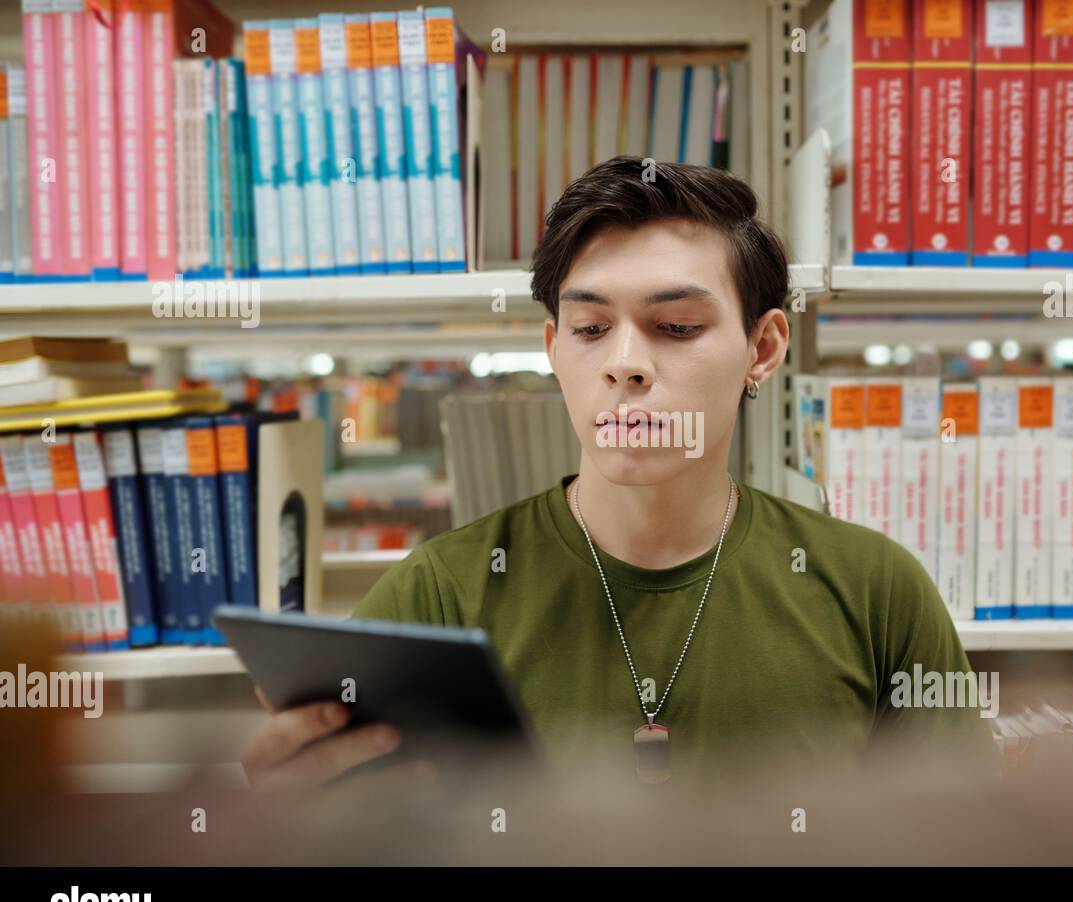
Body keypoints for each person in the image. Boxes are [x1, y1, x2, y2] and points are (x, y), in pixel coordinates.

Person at [241, 156, 999, 792]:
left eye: (676, 327)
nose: (625, 364)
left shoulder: (875, 592)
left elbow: (972, 845)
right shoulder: (441, 592)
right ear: (553, 346)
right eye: (591, 329)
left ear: (764, 349)